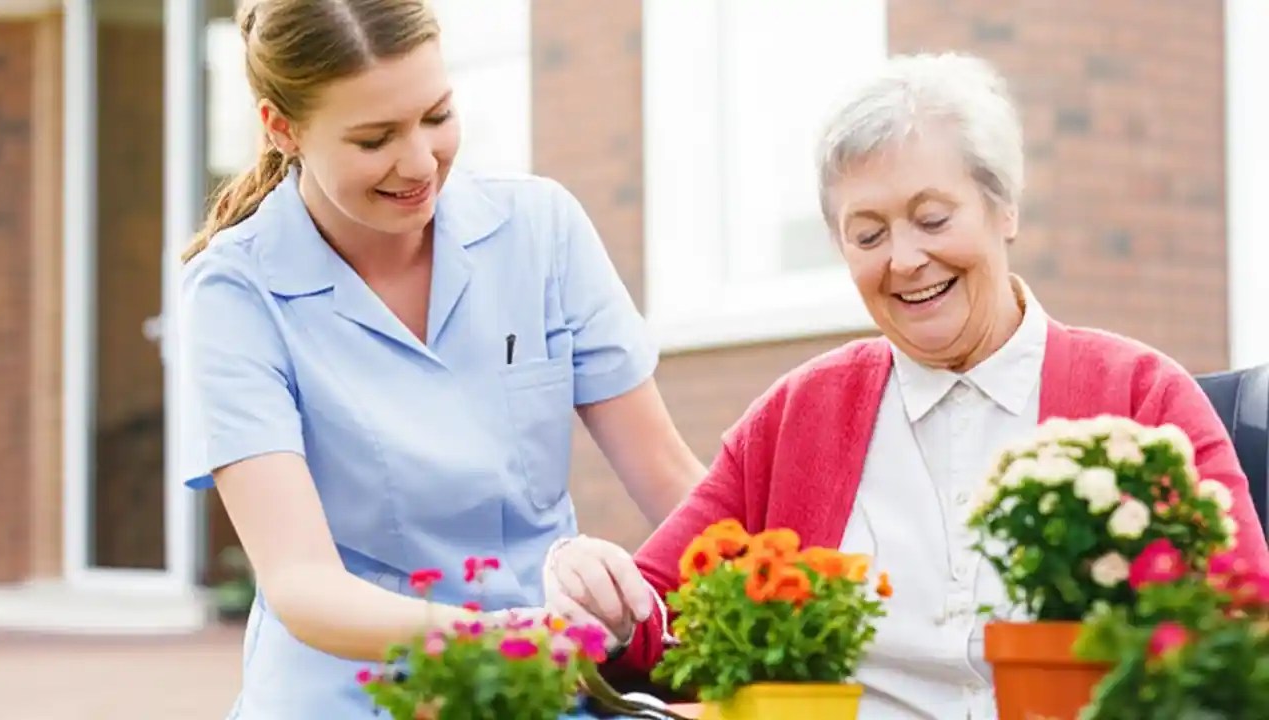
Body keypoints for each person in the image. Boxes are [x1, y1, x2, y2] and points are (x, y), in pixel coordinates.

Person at [542, 52, 1269, 719]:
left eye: (931, 218)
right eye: (868, 235)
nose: (905, 259)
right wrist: (593, 594)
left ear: (1003, 208)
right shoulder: (799, 417)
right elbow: (654, 623)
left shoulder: (1141, 396)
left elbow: (1241, 630)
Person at [178, 1, 704, 717]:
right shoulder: (237, 291)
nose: (421, 163)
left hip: (544, 690)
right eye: (374, 139)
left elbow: (672, 479)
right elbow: (302, 584)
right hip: (349, 694)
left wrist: (782, 603)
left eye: (436, 116)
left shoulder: (540, 230)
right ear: (283, 127)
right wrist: (509, 639)